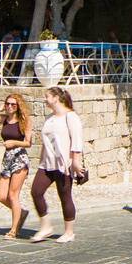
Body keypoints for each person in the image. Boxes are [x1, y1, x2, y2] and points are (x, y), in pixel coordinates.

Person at [29, 87, 85, 243]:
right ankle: (45, 226)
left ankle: (69, 232)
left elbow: (77, 140)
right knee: (36, 191)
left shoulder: (71, 117)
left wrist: (75, 161)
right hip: (47, 163)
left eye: (47, 96)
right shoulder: (50, 118)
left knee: (64, 196)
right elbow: (45, 141)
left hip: (64, 163)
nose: (45, 99)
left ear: (55, 98)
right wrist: (41, 160)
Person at [0, 93, 32, 239]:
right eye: (7, 104)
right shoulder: (4, 119)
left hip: (19, 159)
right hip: (7, 159)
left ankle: (14, 230)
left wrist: (14, 143)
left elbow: (28, 143)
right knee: (2, 197)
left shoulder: (24, 121)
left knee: (13, 195)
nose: (9, 106)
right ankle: (21, 212)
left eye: (13, 104)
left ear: (18, 106)